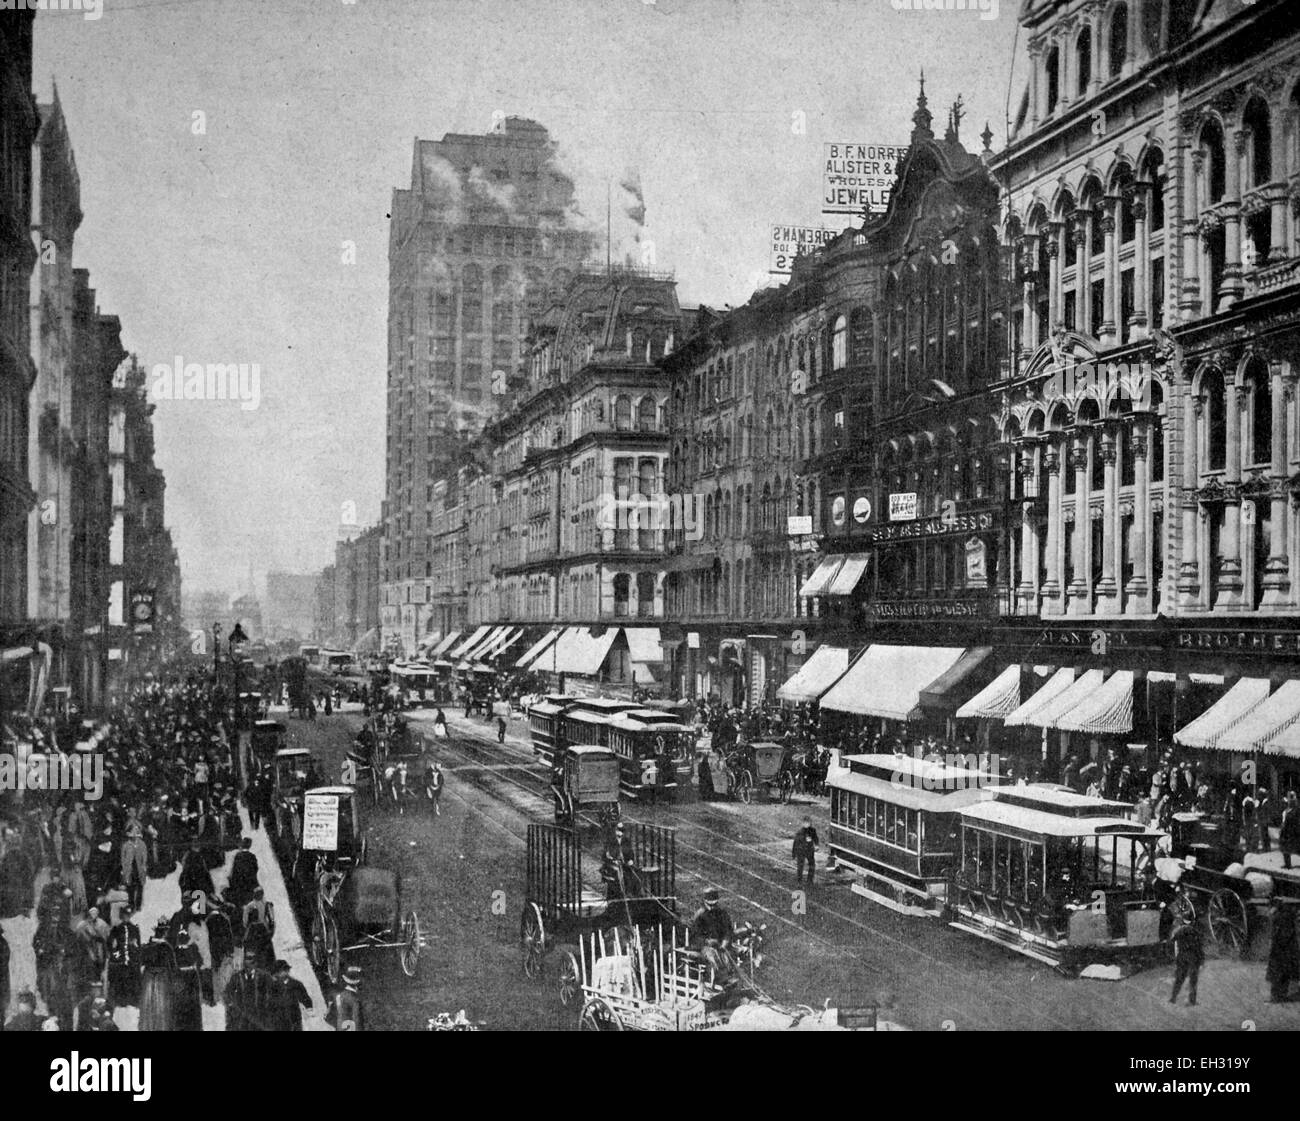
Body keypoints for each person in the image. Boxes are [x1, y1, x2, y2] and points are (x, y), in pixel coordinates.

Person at [106, 907, 142, 1008]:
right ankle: (121, 1003)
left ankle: (131, 1003)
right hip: (120, 961)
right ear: (122, 916)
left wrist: (135, 952)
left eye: (128, 915)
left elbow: (138, 944)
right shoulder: (117, 929)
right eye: (124, 915)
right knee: (120, 983)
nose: (126, 917)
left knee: (132, 983)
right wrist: (116, 953)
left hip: (131, 960)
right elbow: (109, 943)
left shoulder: (134, 928)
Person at [1266, 901, 1299, 1003]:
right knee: (1282, 965)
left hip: (1283, 940)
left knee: (1280, 966)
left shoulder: (1280, 914)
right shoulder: (1283, 914)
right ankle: (1279, 995)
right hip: (1284, 939)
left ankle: (1278, 995)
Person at [268, 959, 312, 1031]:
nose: (284, 972)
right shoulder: (273, 986)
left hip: (294, 1014)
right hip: (280, 1017)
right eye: (280, 971)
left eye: (285, 970)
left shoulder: (295, 984)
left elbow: (304, 997)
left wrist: (308, 1006)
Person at [1169, 915, 1204, 1006]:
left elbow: (1172, 941)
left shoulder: (1179, 932)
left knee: (1179, 979)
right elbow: (1199, 948)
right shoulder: (1195, 932)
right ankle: (1192, 1001)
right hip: (1193, 958)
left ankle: (1173, 998)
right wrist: (1201, 961)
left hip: (1182, 957)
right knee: (1193, 980)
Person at [601, 823, 641, 902]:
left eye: (622, 831)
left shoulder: (626, 840)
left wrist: (631, 860)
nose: (620, 833)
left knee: (635, 873)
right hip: (612, 864)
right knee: (617, 874)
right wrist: (612, 859)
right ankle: (619, 895)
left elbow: (630, 852)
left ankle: (632, 893)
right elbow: (605, 855)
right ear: (615, 831)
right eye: (618, 831)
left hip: (624, 863)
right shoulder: (610, 840)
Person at [326, 964, 364, 1031]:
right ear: (357, 984)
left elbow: (328, 1017)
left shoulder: (335, 994)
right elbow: (357, 1021)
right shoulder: (354, 999)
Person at [226, 837, 259, 911]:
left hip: (239, 884)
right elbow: (255, 869)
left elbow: (235, 870)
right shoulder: (252, 857)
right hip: (249, 884)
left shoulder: (238, 856)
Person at [792, 819, 819, 886]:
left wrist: (817, 845)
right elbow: (795, 843)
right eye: (805, 823)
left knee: (812, 865)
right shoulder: (800, 832)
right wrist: (794, 853)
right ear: (803, 823)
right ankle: (799, 881)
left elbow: (816, 838)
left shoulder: (813, 830)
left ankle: (809, 881)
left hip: (809, 850)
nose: (807, 824)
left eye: (808, 823)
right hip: (801, 851)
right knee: (800, 866)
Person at [1281, 792, 1300, 870]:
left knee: (1296, 848)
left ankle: (1288, 864)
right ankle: (1287, 864)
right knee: (1285, 848)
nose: (1290, 800)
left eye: (1291, 798)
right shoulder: (1287, 810)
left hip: (1292, 831)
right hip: (1286, 831)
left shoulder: (1296, 810)